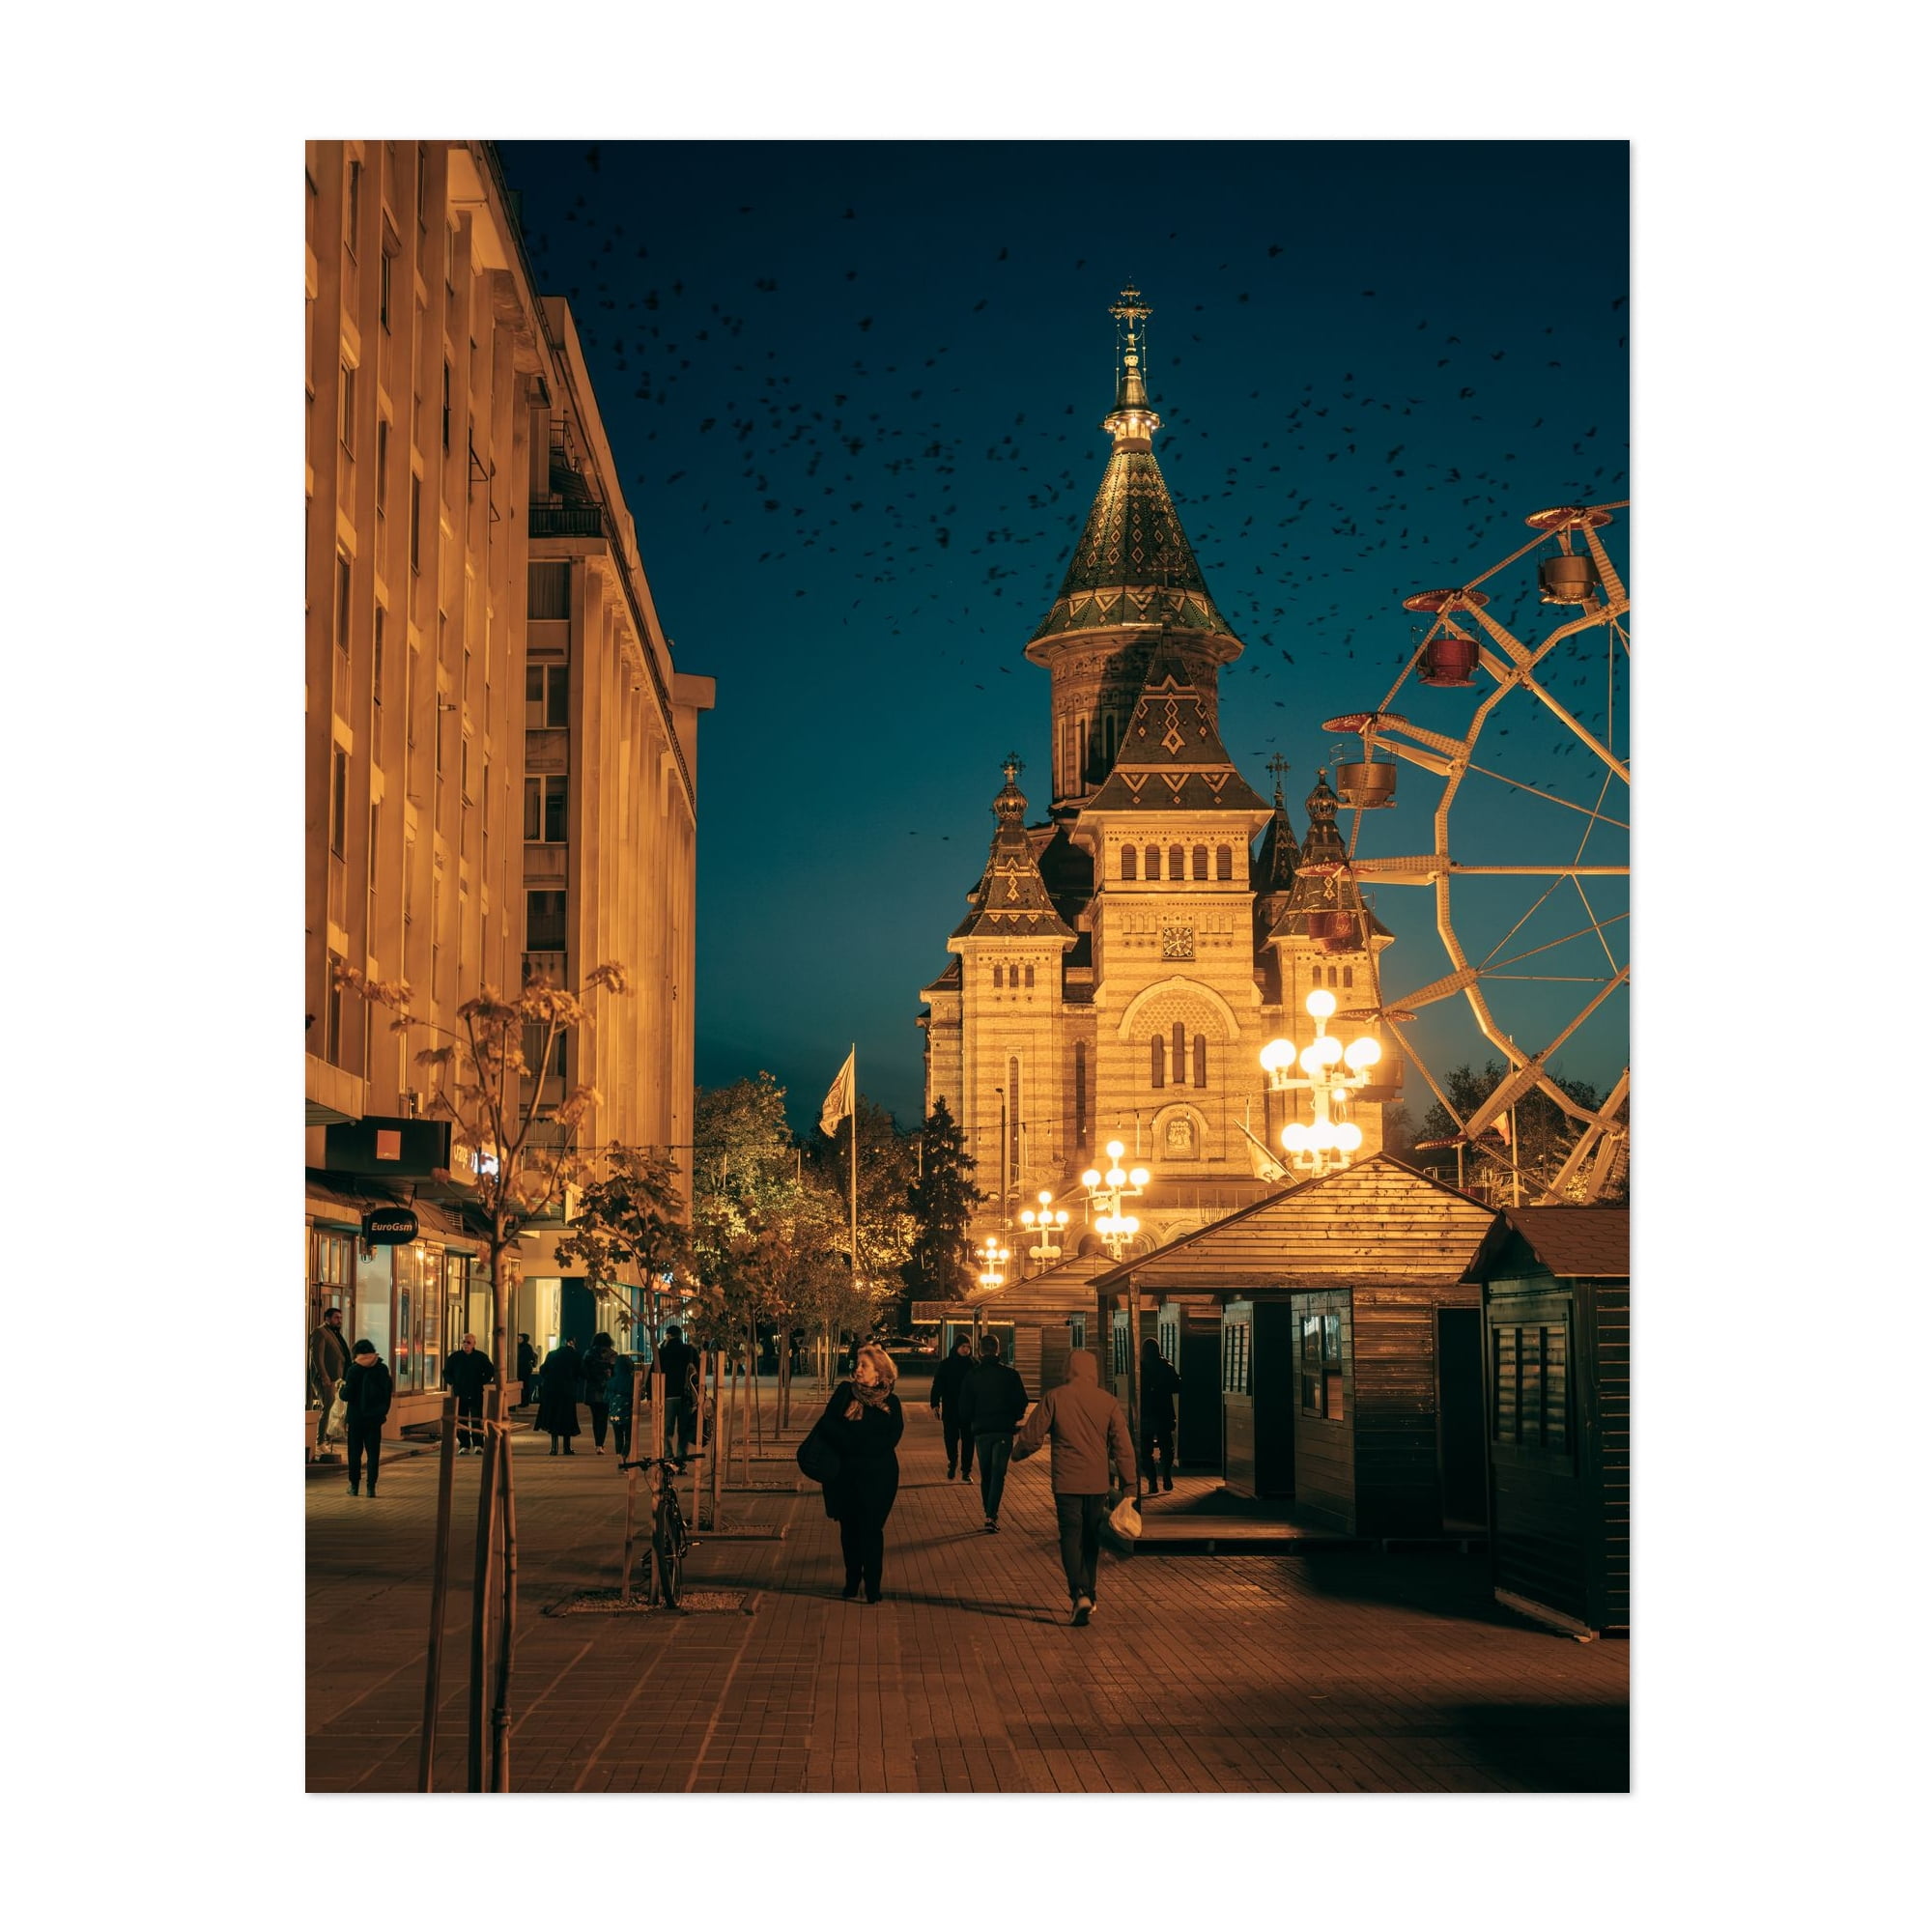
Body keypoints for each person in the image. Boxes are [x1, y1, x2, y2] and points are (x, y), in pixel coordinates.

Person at [1013, 1350, 1135, 1626]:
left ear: (1067, 1369)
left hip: (1066, 1481)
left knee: (1070, 1535)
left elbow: (1032, 1437)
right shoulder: (1108, 1402)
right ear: (1093, 1371)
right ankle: (1090, 1594)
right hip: (1097, 1483)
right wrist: (1130, 1486)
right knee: (1092, 1537)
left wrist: (1018, 1452)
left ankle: (1078, 1592)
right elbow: (1123, 1448)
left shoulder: (1055, 1398)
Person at [815, 1344, 904, 1604]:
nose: (857, 1369)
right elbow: (827, 1425)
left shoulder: (891, 1403)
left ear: (879, 1373)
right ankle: (852, 1580)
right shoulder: (845, 1394)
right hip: (845, 1476)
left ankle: (873, 1585)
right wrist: (856, 1443)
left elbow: (890, 1438)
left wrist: (853, 1441)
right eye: (857, 1364)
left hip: (879, 1478)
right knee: (849, 1530)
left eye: (864, 1365)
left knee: (872, 1530)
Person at [957, 1335, 1029, 1532]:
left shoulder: (972, 1375)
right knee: (999, 1473)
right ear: (998, 1350)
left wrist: (971, 1420)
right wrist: (1014, 1416)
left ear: (980, 1351)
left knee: (986, 1473)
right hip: (1004, 1430)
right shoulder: (1010, 1375)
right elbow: (1021, 1401)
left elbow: (964, 1406)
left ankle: (988, 1512)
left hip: (981, 1430)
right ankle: (991, 1515)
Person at [341, 1339, 393, 1497]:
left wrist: (341, 1389)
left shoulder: (354, 1370)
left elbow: (347, 1394)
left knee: (354, 1453)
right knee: (373, 1454)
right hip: (374, 1418)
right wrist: (382, 1412)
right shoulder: (382, 1369)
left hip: (356, 1418)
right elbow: (387, 1393)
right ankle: (371, 1488)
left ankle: (354, 1486)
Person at [1138, 1337, 1183, 1493]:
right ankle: (1167, 1476)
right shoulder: (1166, 1366)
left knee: (1146, 1450)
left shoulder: (1141, 1368)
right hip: (1164, 1412)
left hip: (1146, 1413)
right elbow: (1177, 1386)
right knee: (1166, 1446)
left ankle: (1152, 1481)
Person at [929, 1335, 977, 1483]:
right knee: (951, 1438)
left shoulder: (974, 1364)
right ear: (956, 1347)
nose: (966, 1350)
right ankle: (953, 1462)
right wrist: (935, 1403)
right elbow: (937, 1385)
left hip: (969, 1409)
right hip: (950, 1407)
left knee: (968, 1440)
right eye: (963, 1346)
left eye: (968, 1347)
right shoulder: (946, 1364)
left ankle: (966, 1470)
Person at [441, 1332, 496, 1455]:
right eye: (464, 1342)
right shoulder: (455, 1357)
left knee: (476, 1418)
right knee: (461, 1419)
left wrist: (482, 1381)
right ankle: (464, 1444)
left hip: (475, 1392)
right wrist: (452, 1382)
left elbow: (489, 1370)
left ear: (474, 1344)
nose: (465, 1344)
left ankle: (478, 1444)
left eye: (468, 1342)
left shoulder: (480, 1357)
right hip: (460, 1392)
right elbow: (446, 1372)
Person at [656, 1324, 700, 1464]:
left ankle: (668, 1458)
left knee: (667, 1430)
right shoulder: (690, 1351)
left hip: (667, 1395)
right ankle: (681, 1459)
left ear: (668, 1336)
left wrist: (651, 1396)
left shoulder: (662, 1352)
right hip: (685, 1396)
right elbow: (699, 1373)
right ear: (680, 1335)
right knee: (684, 1429)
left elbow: (654, 1372)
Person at [309, 1306, 349, 1452]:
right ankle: (320, 1441)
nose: (339, 1320)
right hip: (325, 1378)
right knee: (327, 1407)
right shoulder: (320, 1332)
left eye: (340, 1318)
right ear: (327, 1318)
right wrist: (324, 1376)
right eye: (336, 1318)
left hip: (335, 1378)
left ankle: (327, 1439)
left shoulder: (333, 1332)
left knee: (332, 1408)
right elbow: (317, 1357)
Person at [536, 1338, 583, 1456]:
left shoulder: (552, 1354)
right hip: (568, 1391)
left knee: (554, 1418)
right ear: (572, 1344)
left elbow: (543, 1370)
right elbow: (581, 1372)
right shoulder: (575, 1355)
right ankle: (567, 1448)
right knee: (567, 1418)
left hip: (551, 1390)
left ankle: (554, 1448)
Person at [582, 1332, 620, 1455]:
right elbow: (616, 1373)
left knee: (595, 1417)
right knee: (603, 1418)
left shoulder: (588, 1354)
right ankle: (600, 1444)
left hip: (592, 1390)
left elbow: (584, 1373)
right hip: (606, 1390)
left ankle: (597, 1443)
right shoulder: (612, 1354)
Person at [608, 1350, 638, 1462]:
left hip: (614, 1413)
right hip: (628, 1412)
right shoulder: (632, 1380)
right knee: (629, 1437)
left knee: (618, 1436)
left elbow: (606, 1398)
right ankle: (624, 1455)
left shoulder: (612, 1381)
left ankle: (619, 1456)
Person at [515, 1333, 538, 1409]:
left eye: (520, 1339)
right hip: (521, 1369)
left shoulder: (526, 1348)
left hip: (524, 1369)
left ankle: (524, 1401)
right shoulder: (520, 1347)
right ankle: (521, 1401)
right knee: (523, 1385)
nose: (518, 1340)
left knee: (524, 1385)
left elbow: (527, 1358)